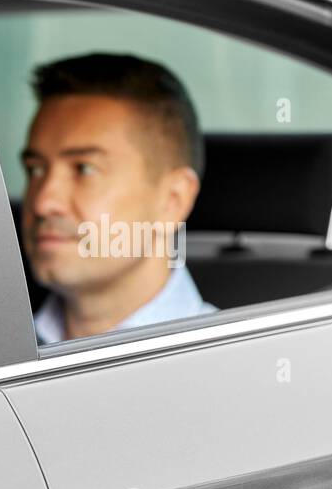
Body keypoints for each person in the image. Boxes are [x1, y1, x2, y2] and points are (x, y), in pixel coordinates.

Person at [20, 53, 217, 344]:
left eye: (84, 169)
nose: (43, 202)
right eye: (35, 170)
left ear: (173, 200)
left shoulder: (234, 370)